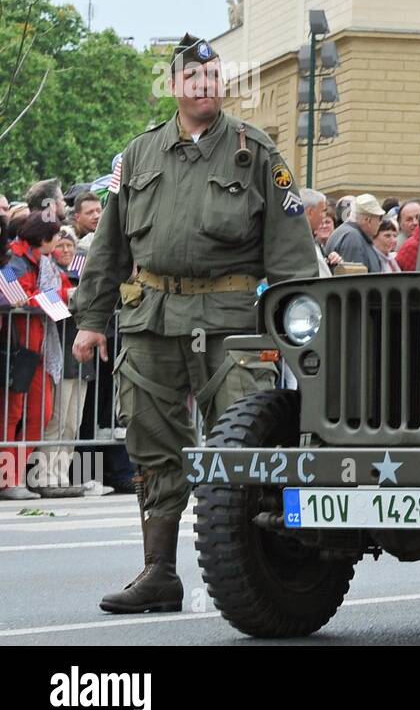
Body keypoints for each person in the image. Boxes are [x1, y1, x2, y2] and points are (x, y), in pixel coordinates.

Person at [71, 33, 319, 614]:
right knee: (152, 444)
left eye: (212, 79)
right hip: (152, 320)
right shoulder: (138, 155)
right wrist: (91, 319)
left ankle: (256, 572)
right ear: (175, 86)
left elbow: (290, 255)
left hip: (232, 326)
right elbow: (108, 246)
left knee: (244, 449)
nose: (203, 87)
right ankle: (159, 572)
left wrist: (294, 331)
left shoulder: (254, 152)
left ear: (222, 85)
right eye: (192, 79)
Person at [0, 215, 72, 500]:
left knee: (40, 414)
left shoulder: (42, 263)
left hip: (39, 349)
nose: (58, 243)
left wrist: (54, 296)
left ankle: (15, 478)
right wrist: (58, 296)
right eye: (55, 237)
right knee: (12, 414)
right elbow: (16, 299)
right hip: (18, 349)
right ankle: (9, 480)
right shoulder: (13, 261)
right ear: (43, 239)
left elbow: (31, 297)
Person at [32, 226, 94, 496]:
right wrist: (71, 296)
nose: (66, 249)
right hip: (60, 354)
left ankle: (62, 476)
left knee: (73, 422)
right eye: (61, 244)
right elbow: (49, 304)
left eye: (70, 245)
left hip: (82, 358)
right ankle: (44, 476)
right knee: (56, 421)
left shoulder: (81, 273)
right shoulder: (48, 275)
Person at [325, 193, 386, 272]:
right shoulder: (352, 237)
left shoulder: (350, 234)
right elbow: (355, 280)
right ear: (368, 220)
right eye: (379, 218)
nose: (380, 223)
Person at [301, 188, 341, 277]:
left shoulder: (310, 239)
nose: (323, 217)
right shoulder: (300, 242)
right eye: (322, 211)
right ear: (310, 212)